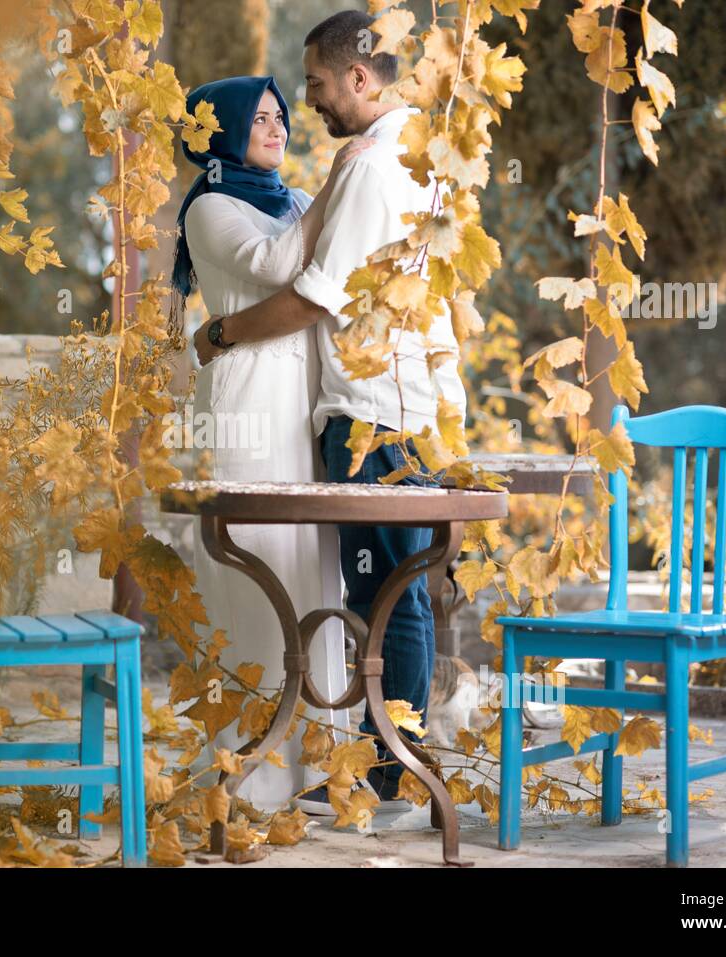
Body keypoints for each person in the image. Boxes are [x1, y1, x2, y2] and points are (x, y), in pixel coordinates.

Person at [192, 10, 468, 812]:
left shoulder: (370, 166)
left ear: (358, 76)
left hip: (372, 409)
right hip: (412, 402)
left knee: (386, 597)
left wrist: (220, 333)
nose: (308, 101)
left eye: (313, 84)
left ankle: (387, 778)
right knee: (398, 590)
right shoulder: (424, 153)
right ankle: (388, 768)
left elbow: (313, 295)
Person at [172, 73, 373, 815]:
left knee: (307, 572)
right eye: (259, 118)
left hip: (303, 406)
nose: (277, 127)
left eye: (281, 116)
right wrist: (337, 188)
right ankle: (251, 771)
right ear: (221, 128)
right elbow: (279, 267)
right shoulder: (212, 207)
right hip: (247, 405)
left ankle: (315, 763)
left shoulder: (286, 201)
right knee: (254, 571)